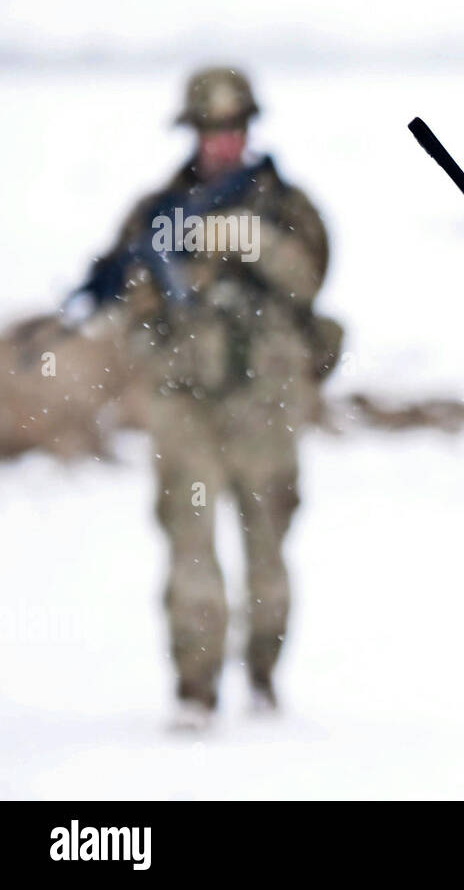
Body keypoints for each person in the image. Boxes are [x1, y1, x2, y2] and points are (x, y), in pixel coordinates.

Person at [73, 67, 340, 728]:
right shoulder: (157, 211)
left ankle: (261, 678)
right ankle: (195, 689)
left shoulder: (285, 206)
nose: (222, 141)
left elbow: (308, 281)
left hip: (265, 412)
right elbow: (124, 294)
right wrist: (143, 284)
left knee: (267, 552)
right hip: (185, 409)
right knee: (190, 547)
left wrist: (241, 239)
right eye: (209, 129)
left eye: (233, 127)